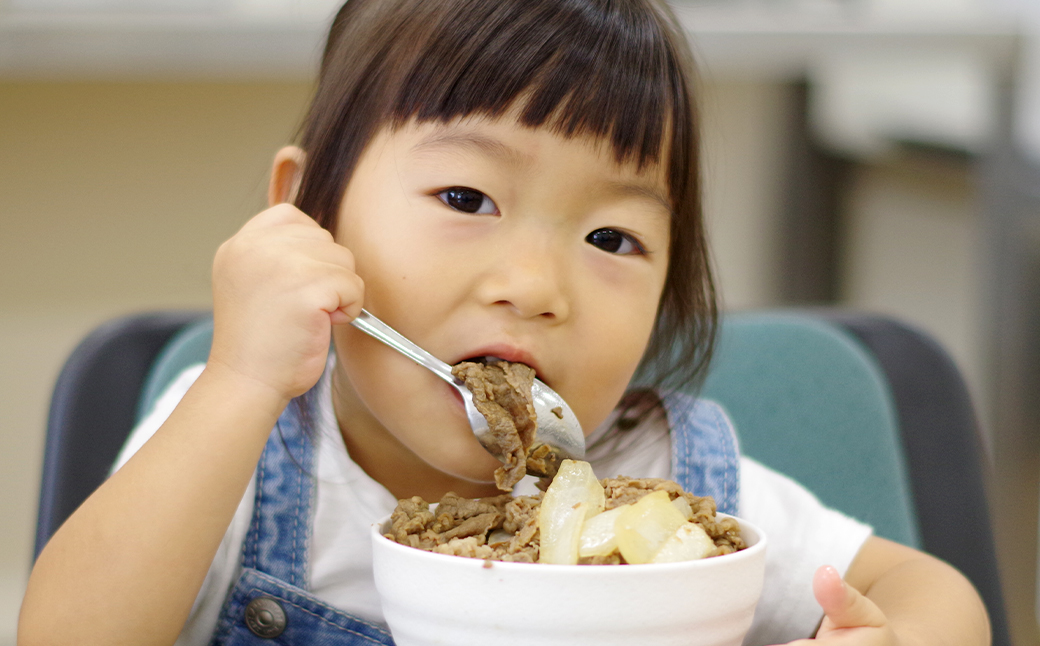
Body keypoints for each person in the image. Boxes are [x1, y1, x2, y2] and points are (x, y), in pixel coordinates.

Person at [19, 0, 990, 645]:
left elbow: (937, 596)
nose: (534, 286)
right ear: (309, 216)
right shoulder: (239, 443)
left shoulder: (666, 482)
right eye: (465, 197)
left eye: (610, 238)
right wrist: (239, 381)